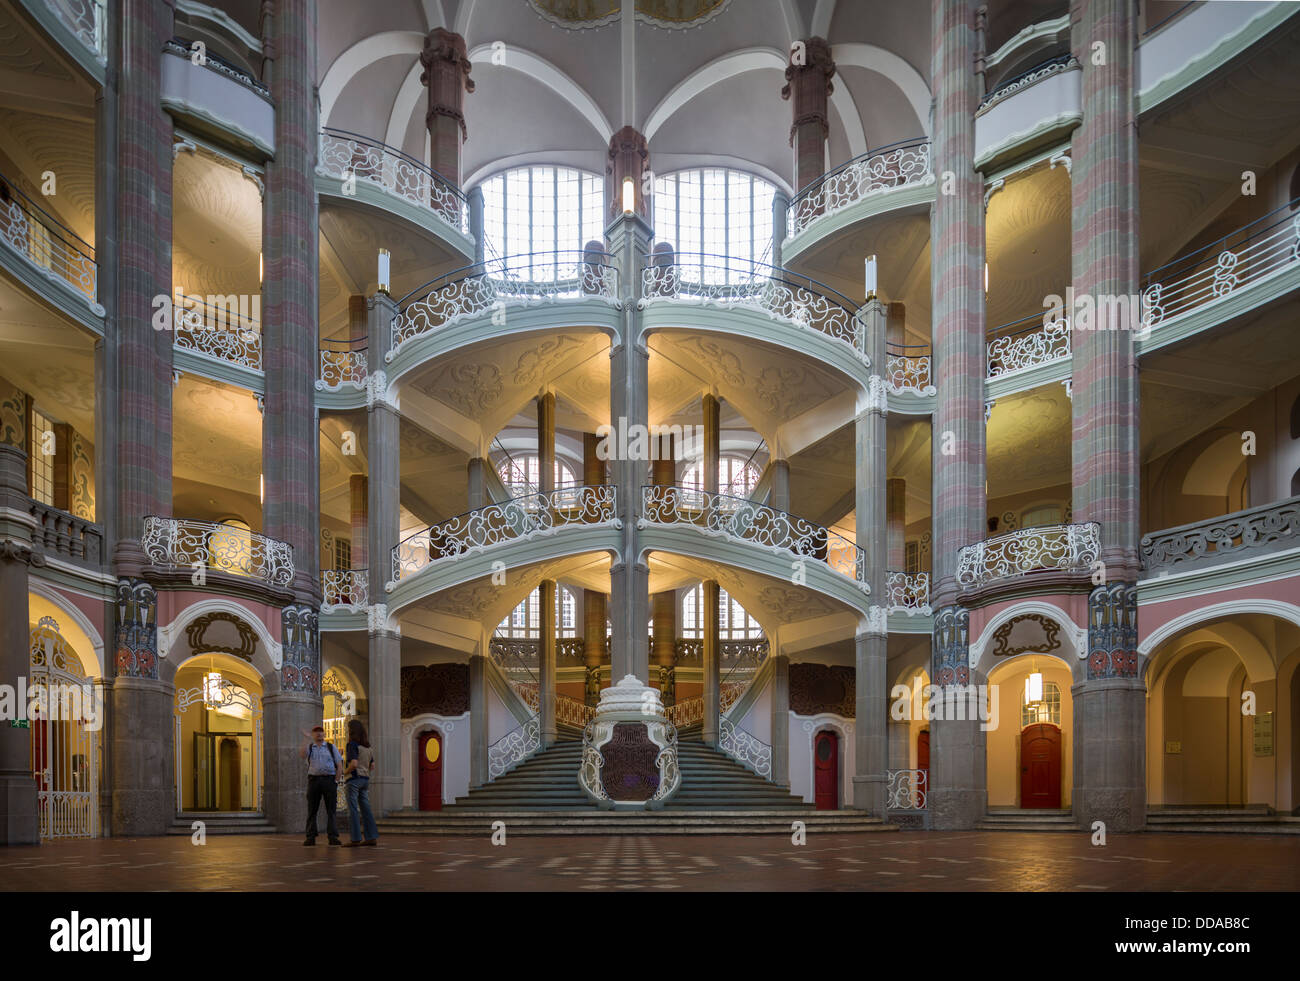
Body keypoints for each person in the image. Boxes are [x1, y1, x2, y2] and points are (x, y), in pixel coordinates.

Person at [300, 725, 342, 845]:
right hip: (314, 781)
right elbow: (302, 754)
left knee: (331, 810)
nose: (319, 734)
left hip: (329, 780)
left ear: (324, 734)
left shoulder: (330, 747)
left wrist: (336, 782)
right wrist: (305, 738)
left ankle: (333, 836)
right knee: (312, 810)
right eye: (316, 732)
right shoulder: (310, 747)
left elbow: (339, 765)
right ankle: (310, 836)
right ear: (313, 734)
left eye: (321, 731)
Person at [342, 719, 379, 847]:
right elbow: (372, 765)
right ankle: (371, 837)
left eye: (348, 729)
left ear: (352, 731)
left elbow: (354, 763)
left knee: (353, 809)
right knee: (366, 809)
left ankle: (355, 839)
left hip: (353, 780)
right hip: (365, 780)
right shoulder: (368, 747)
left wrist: (344, 772)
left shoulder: (352, 744)